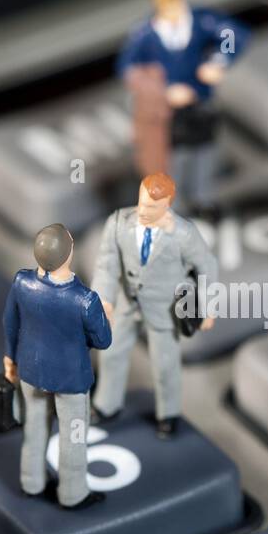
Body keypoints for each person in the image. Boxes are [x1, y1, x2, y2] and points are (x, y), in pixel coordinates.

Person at [91, 172, 217, 439]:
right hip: (126, 303)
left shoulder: (183, 234)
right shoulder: (117, 223)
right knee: (111, 355)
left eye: (151, 207)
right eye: (141, 202)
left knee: (165, 365)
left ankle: (168, 415)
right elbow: (106, 264)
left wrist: (207, 306)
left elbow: (206, 265)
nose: (143, 211)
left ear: (167, 204)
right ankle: (106, 405)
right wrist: (103, 298)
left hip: (165, 309)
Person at [116, 0, 250, 218]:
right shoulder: (146, 34)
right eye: (166, 7)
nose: (173, 12)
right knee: (173, 161)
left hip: (202, 103)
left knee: (206, 153)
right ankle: (175, 206)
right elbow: (128, 69)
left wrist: (220, 61)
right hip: (168, 114)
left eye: (175, 4)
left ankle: (203, 198)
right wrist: (163, 91)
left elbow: (233, 33)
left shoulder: (201, 20)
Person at [3, 223, 112, 508]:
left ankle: (31, 482)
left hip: (29, 371)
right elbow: (103, 341)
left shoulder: (21, 283)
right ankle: (73, 494)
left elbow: (10, 322)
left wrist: (10, 358)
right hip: (71, 381)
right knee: (73, 438)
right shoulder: (85, 300)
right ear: (69, 252)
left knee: (34, 428)